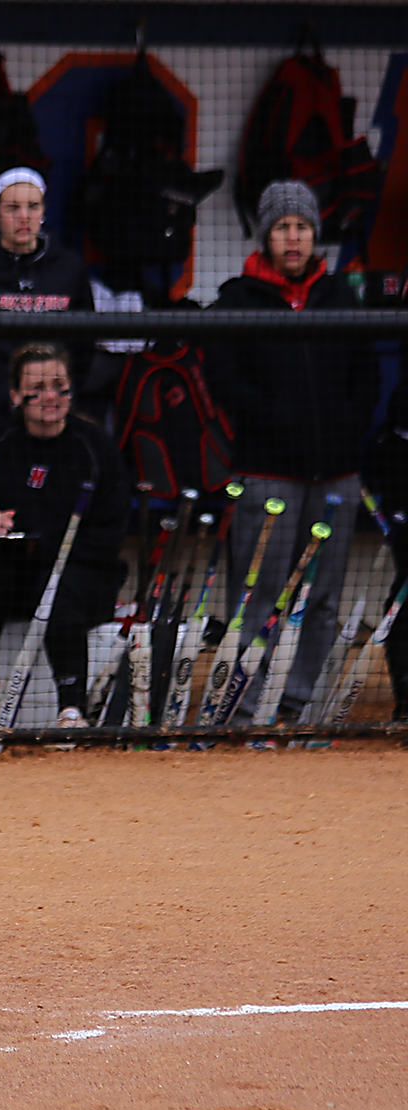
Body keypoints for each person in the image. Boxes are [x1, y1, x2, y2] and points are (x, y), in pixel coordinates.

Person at [205, 181, 377, 720]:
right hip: (267, 473)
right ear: (266, 235)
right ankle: (243, 704)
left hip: (336, 476)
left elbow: (367, 376)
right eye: (283, 228)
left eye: (302, 227)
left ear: (314, 234)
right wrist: (275, 419)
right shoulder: (237, 297)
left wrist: (346, 427)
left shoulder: (340, 295)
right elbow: (224, 379)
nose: (294, 238)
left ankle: (297, 704)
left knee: (322, 599)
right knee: (261, 595)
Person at [0, 343, 129, 728]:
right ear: (16, 395)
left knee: (58, 593)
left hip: (81, 568)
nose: (50, 397)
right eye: (37, 387)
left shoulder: (95, 446)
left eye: (59, 385)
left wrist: (54, 551)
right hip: (15, 569)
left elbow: (111, 528)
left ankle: (72, 710)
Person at [0, 167, 96, 459]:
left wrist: (60, 390)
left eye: (33, 206)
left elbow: (85, 340)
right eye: (12, 208)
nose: (24, 216)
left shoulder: (69, 269)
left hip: (51, 416)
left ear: (43, 212)